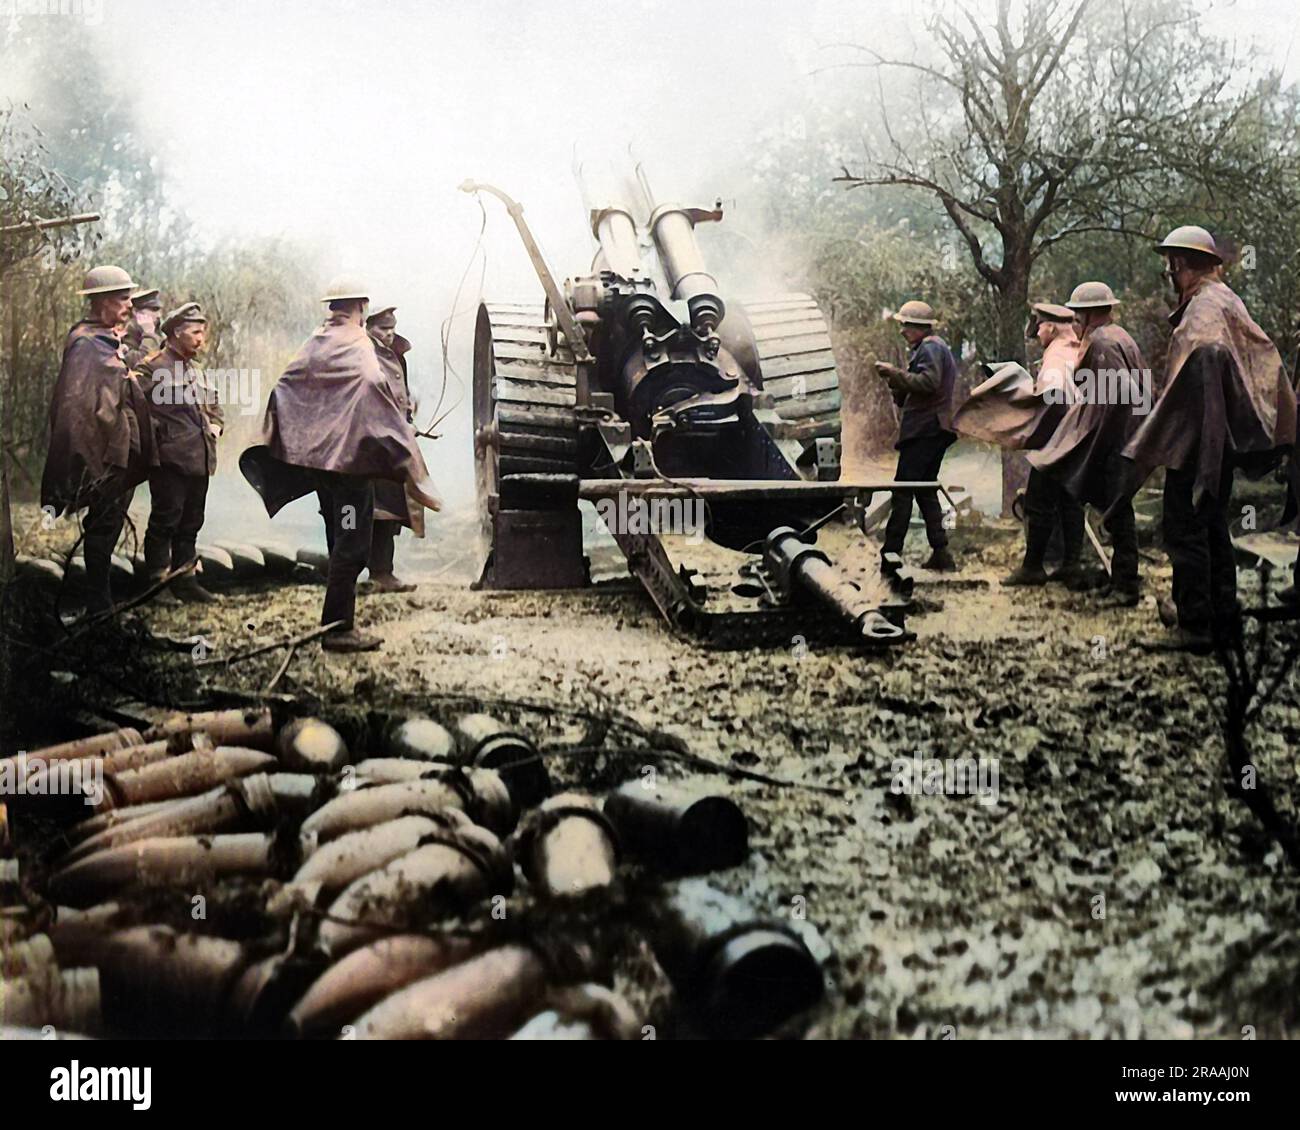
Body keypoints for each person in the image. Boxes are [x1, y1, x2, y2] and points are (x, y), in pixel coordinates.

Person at [240, 278, 441, 653]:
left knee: (339, 539)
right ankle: (337, 631)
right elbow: (370, 382)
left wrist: (311, 434)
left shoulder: (316, 341)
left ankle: (336, 624)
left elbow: (285, 387)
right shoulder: (356, 341)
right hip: (348, 470)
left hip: (322, 468)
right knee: (352, 545)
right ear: (361, 306)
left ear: (332, 306)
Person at [1123, 225, 1297, 649]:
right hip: (1219, 443)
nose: (1169, 274)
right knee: (1213, 525)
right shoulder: (1227, 300)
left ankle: (1196, 624)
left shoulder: (1201, 314)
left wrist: (1196, 454)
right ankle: (1224, 621)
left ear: (1180, 265)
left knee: (1185, 527)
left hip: (1200, 444)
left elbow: (1204, 370)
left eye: (1170, 266)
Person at [40, 265, 155, 614]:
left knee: (111, 520)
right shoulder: (86, 344)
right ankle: (99, 603)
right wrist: (84, 459)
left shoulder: (108, 339)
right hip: (100, 453)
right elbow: (75, 407)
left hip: (120, 450)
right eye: (123, 298)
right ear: (102, 301)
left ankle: (100, 601)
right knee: (103, 525)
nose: (129, 306)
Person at [1027, 282, 1146, 606]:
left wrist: (1098, 439)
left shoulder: (1103, 342)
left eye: (1078, 315)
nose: (1076, 321)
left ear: (1089, 313)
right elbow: (1141, 389)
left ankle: (1126, 587)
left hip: (1113, 439)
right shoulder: (1121, 336)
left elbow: (1115, 397)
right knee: (1119, 511)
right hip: (1126, 436)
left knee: (1118, 515)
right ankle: (1122, 581)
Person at [134, 302, 223, 603]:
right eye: (195, 332)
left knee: (191, 522)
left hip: (200, 458)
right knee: (165, 520)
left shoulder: (197, 370)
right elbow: (134, 411)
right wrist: (156, 440)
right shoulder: (152, 367)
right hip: (170, 460)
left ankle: (186, 580)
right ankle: (157, 584)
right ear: (175, 332)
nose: (201, 339)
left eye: (202, 333)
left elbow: (214, 406)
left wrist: (216, 426)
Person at [873, 299, 958, 578]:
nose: (902, 331)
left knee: (903, 490)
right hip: (933, 430)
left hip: (924, 431)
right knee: (924, 489)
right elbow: (922, 387)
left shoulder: (931, 347)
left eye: (906, 325)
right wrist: (898, 383)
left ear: (921, 327)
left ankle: (891, 553)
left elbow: (929, 383)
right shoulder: (931, 348)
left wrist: (896, 374)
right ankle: (941, 552)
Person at [363, 304, 420, 593]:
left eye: (392, 328)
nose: (389, 334)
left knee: (390, 511)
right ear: (368, 327)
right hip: (370, 447)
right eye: (383, 329)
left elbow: (399, 394)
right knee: (363, 511)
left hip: (393, 448)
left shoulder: (396, 356)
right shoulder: (362, 355)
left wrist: (409, 412)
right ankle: (356, 571)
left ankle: (383, 571)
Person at [123, 287, 163, 369]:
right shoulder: (126, 336)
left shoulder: (159, 332)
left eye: (159, 310)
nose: (159, 315)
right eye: (153, 310)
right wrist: (149, 334)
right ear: (135, 312)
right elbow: (145, 363)